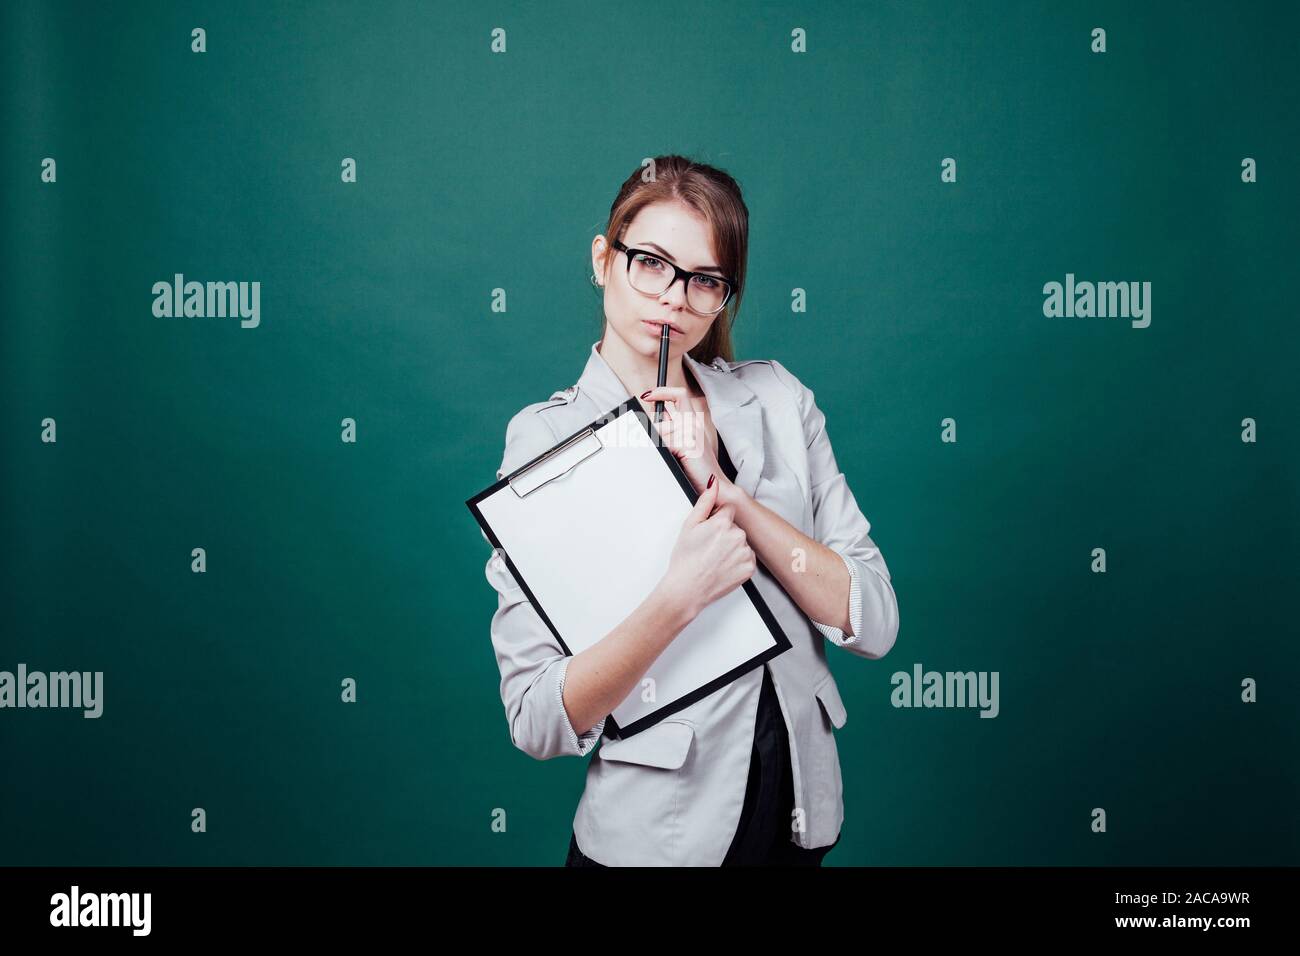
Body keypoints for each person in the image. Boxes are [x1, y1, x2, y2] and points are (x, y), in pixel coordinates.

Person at [482, 155, 900, 866]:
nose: (673, 298)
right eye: (651, 263)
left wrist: (732, 496)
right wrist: (678, 597)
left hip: (799, 816)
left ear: (722, 296)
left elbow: (875, 623)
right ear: (603, 260)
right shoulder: (546, 443)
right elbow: (537, 717)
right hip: (659, 839)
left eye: (704, 279)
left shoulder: (777, 399)